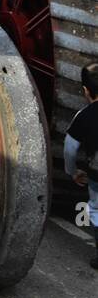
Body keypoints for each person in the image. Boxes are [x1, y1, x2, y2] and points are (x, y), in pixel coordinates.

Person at [64, 62, 98, 270]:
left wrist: (72, 171)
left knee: (95, 208)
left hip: (96, 174)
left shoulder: (84, 116)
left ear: (86, 91)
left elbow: (70, 149)